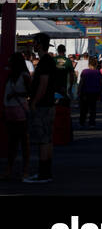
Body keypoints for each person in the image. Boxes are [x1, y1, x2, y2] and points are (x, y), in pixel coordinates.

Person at [26, 34, 57, 183]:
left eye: (35, 42)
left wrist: (34, 102)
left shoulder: (45, 62)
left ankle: (43, 174)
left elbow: (43, 84)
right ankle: (46, 172)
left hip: (43, 105)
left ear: (39, 44)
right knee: (48, 139)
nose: (33, 44)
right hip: (49, 104)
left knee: (43, 140)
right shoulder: (49, 61)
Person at [3, 51, 31, 181]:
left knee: (22, 141)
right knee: (12, 142)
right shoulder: (10, 76)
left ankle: (24, 170)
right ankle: (10, 168)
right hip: (10, 110)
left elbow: (30, 92)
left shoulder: (24, 76)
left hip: (19, 110)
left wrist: (16, 94)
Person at [78, 57, 102, 128]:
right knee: (92, 109)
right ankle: (92, 123)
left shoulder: (85, 72)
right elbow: (100, 84)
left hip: (85, 92)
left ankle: (82, 122)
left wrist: (79, 92)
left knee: (84, 109)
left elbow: (81, 83)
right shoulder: (98, 73)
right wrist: (100, 93)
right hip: (94, 92)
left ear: (89, 64)